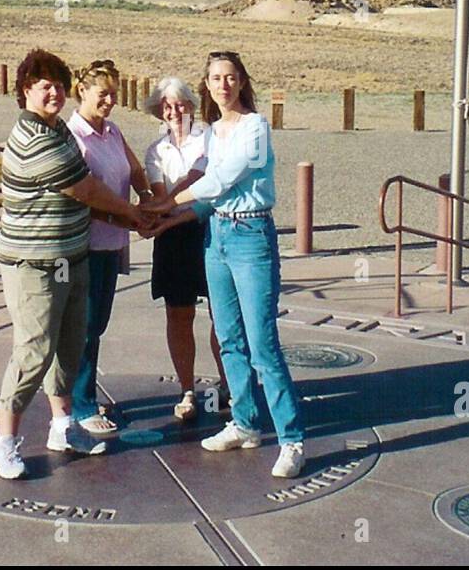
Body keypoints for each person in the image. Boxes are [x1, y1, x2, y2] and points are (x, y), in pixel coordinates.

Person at [141, 51, 306, 479]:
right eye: (215, 78)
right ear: (208, 85)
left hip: (251, 238)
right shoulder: (213, 132)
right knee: (229, 337)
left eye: (230, 77)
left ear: (242, 81)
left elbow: (220, 180)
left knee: (262, 343)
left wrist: (162, 202)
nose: (223, 85)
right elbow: (209, 199)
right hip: (216, 236)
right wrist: (166, 221)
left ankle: (291, 440)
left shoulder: (255, 127)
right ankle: (246, 423)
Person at [0, 48, 151, 480]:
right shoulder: (32, 138)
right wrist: (135, 215)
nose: (55, 94)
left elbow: (92, 185)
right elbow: (85, 189)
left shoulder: (59, 129)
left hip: (71, 255)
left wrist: (134, 211)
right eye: (46, 87)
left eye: (59, 86)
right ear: (26, 91)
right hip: (33, 264)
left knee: (69, 346)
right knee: (33, 351)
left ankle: (63, 427)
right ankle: (5, 442)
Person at [66, 59, 154, 435]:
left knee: (96, 324)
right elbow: (83, 197)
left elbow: (134, 171)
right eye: (103, 94)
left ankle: (79, 394)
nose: (110, 102)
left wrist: (150, 199)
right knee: (83, 326)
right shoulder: (73, 136)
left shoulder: (112, 131)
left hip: (112, 244)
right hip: (84, 245)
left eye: (115, 95)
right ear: (82, 91)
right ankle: (80, 406)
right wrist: (131, 218)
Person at [140, 76, 229, 422]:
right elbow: (161, 193)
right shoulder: (155, 151)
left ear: (191, 106)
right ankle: (187, 390)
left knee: (222, 313)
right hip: (173, 237)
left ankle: (229, 384)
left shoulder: (210, 138)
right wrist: (158, 210)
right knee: (179, 314)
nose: (174, 111)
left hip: (208, 228)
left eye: (179, 104)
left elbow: (201, 181)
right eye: (166, 106)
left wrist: (159, 210)